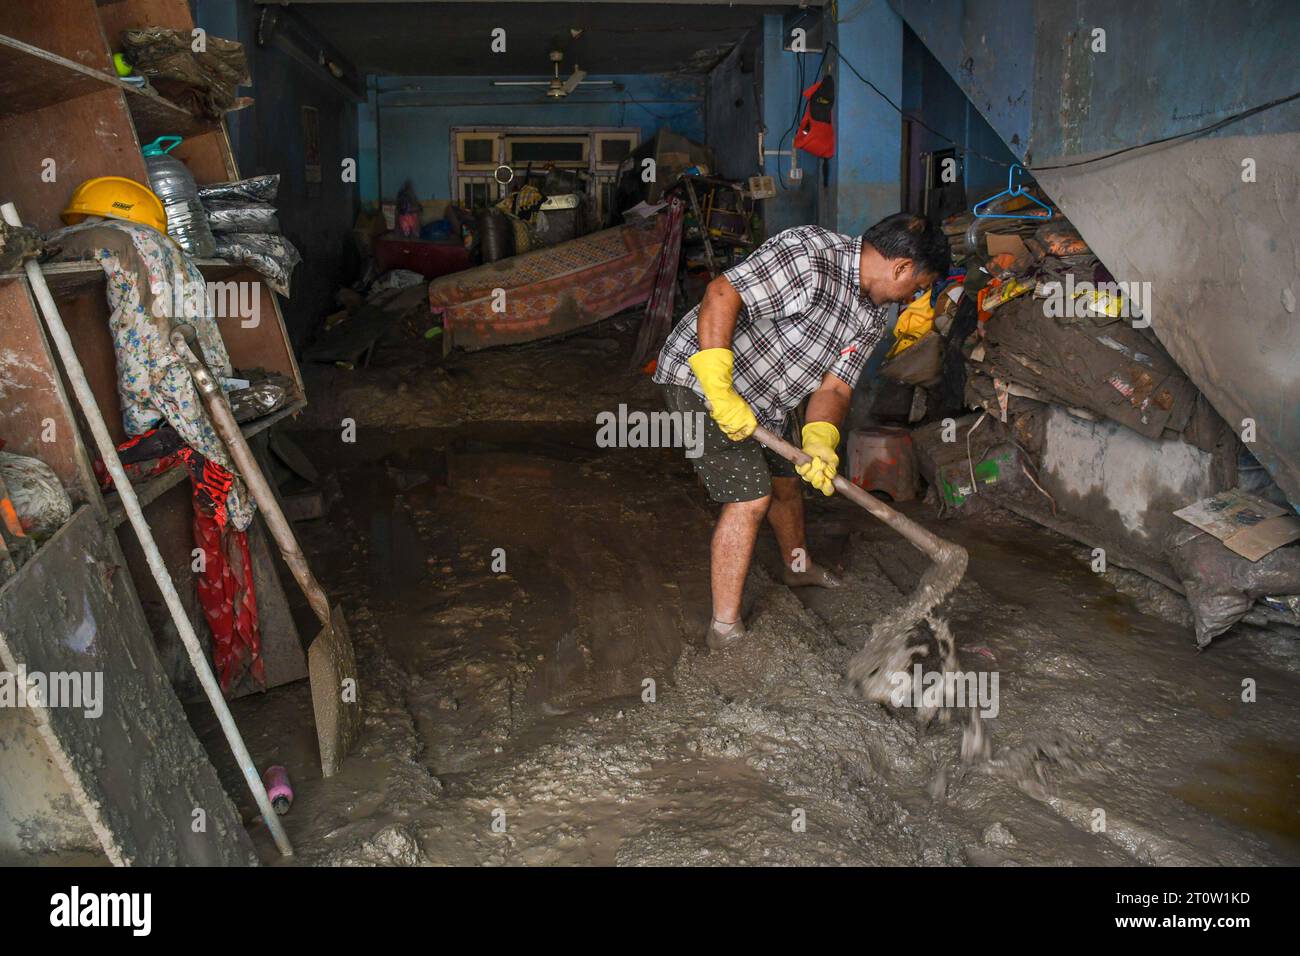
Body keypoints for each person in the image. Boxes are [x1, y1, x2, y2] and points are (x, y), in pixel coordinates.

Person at [654, 212, 951, 649]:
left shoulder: (871, 316)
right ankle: (724, 628)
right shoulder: (811, 255)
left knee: (786, 483)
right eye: (918, 287)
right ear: (902, 268)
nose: (912, 297)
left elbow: (835, 386)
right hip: (699, 380)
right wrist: (718, 386)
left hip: (765, 400)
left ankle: (797, 566)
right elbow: (722, 294)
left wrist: (819, 439)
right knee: (751, 496)